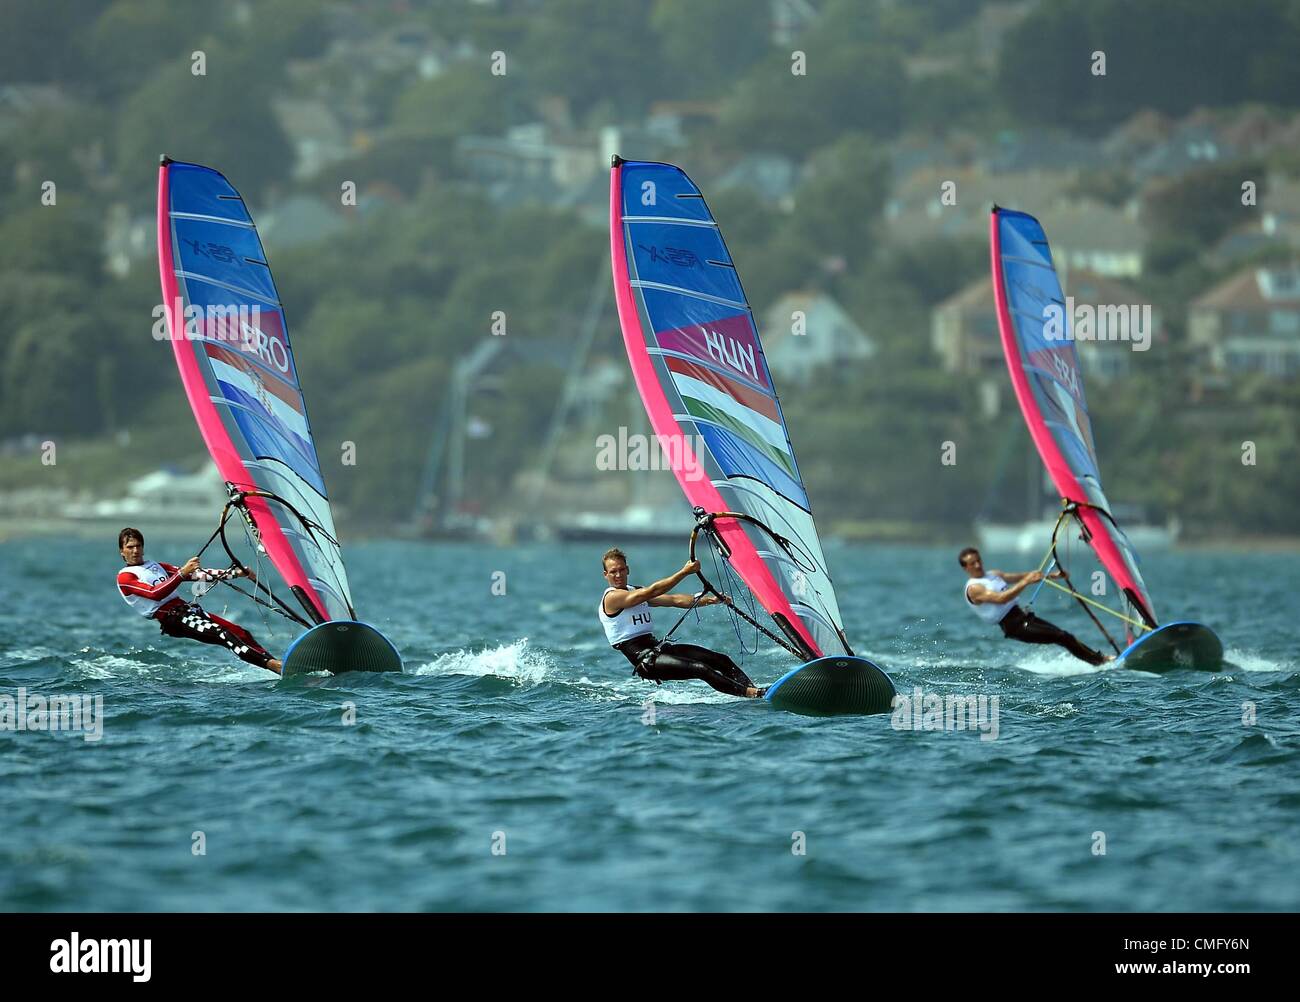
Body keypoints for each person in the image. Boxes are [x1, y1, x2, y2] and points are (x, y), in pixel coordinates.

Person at [598, 547, 765, 698]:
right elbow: (653, 590)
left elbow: (675, 600)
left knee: (721, 660)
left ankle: (753, 688)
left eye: (621, 570)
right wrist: (685, 572)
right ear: (605, 575)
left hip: (659, 649)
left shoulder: (635, 591)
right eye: (613, 572)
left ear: (628, 570)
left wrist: (711, 600)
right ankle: (753, 694)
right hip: (646, 661)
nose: (618, 575)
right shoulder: (612, 598)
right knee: (700, 669)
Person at [116, 527, 282, 674]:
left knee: (240, 632)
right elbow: (155, 594)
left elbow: (196, 575)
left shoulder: (156, 565)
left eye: (138, 546)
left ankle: (278, 664)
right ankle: (272, 665)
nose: (135, 550)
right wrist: (181, 573)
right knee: (224, 634)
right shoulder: (125, 577)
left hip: (187, 610)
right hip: (173, 619)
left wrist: (235, 573)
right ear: (122, 551)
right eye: (130, 547)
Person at [958, 546, 1108, 666]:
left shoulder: (993, 574)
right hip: (1014, 627)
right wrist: (1025, 582)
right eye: (972, 563)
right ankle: (1100, 662)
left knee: (1065, 635)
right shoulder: (974, 589)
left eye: (978, 560)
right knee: (1061, 637)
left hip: (1023, 617)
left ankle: (1100, 658)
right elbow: (1001, 598)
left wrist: (1052, 576)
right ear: (965, 568)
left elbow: (1022, 576)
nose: (978, 565)